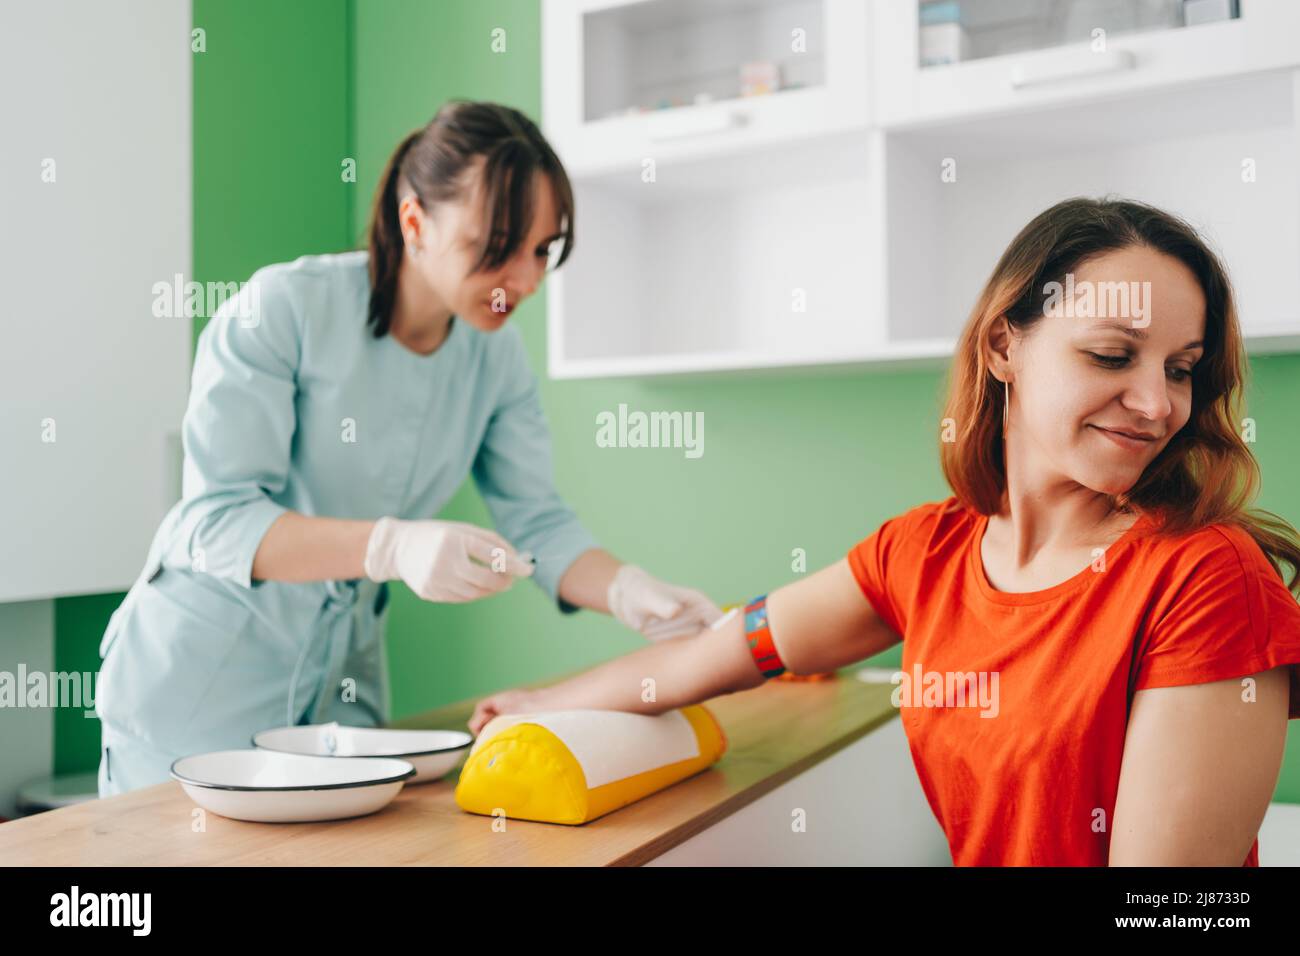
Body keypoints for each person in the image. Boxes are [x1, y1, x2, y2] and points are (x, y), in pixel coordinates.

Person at [468, 197, 1300, 866]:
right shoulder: (924, 553)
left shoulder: (1207, 579)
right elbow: (722, 653)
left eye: (1182, 370)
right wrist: (544, 704)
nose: (1159, 404)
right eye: (1114, 357)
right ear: (1004, 346)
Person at [96, 101, 721, 797]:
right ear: (415, 222)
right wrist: (390, 547)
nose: (526, 280)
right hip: (200, 688)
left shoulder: (496, 359)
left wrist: (632, 592)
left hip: (337, 697)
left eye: (542, 249)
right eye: (498, 246)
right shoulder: (281, 308)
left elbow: (539, 524)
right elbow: (214, 522)